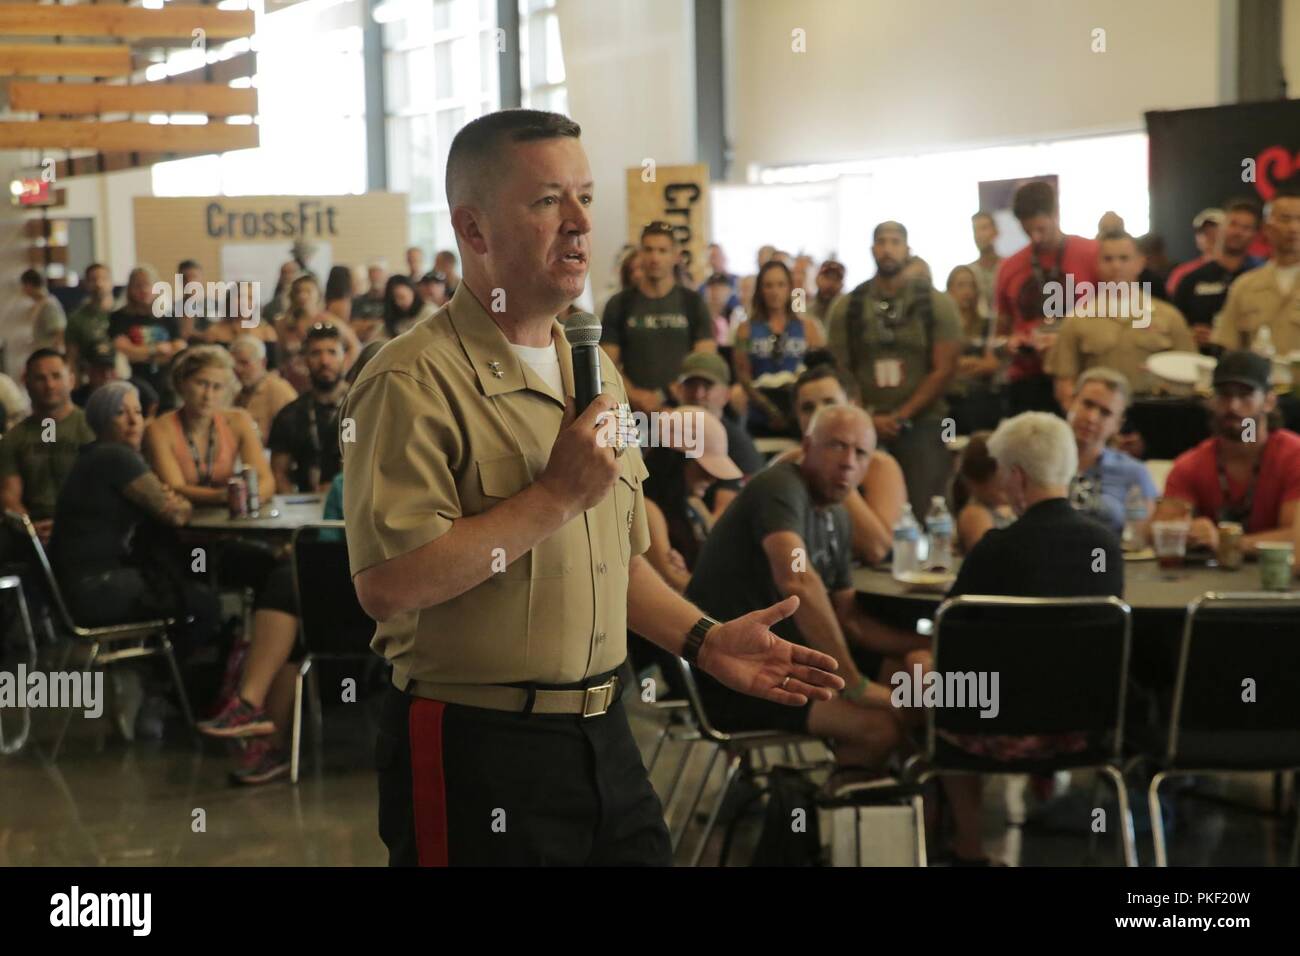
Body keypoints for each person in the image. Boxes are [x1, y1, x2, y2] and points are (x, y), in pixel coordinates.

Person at [344, 109, 842, 867]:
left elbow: (621, 560)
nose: (579, 223)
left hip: (607, 733)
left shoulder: (594, 366)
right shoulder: (411, 379)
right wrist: (552, 497)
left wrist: (704, 642)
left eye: (584, 196)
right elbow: (389, 583)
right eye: (547, 201)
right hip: (479, 746)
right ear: (474, 230)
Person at [911, 410, 1123, 865]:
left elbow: (949, 634)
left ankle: (966, 842)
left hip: (991, 728)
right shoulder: (1104, 546)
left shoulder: (995, 549)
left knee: (918, 674)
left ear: (1018, 477)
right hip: (1086, 728)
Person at [686, 405, 920, 770]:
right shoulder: (780, 484)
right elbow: (797, 579)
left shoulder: (839, 515)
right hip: (735, 673)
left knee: (906, 671)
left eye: (860, 454)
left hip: (784, 662)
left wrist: (923, 642)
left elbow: (850, 618)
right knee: (880, 729)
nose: (848, 462)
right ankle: (814, 814)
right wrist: (855, 684)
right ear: (807, 447)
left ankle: (913, 815)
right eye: (836, 446)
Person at [49, 382, 220, 671]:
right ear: (102, 422)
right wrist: (180, 501)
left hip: (76, 587)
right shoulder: (116, 457)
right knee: (204, 603)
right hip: (97, 589)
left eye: (138, 412)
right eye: (120, 413)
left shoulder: (93, 455)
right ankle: (170, 685)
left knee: (189, 577)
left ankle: (160, 678)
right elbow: (175, 514)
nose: (133, 421)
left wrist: (170, 497)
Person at [826, 220, 961, 518]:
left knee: (925, 507)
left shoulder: (936, 304)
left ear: (907, 249)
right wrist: (866, 417)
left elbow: (944, 369)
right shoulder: (847, 307)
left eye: (895, 242)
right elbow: (840, 371)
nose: (888, 249)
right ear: (872, 249)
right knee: (854, 505)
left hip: (923, 419)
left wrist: (901, 416)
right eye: (882, 242)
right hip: (863, 419)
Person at [1153, 351, 1300, 554]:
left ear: (1269, 402)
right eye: (1224, 395)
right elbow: (1160, 530)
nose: (1233, 406)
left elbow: (1295, 537)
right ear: (1211, 401)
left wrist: (1228, 543)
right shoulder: (1190, 465)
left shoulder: (1293, 457)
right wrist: (1186, 532)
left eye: (1245, 395)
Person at [772, 363, 907, 566]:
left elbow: (878, 549)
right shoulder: (785, 465)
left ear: (853, 406)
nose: (819, 413)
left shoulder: (880, 466)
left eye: (829, 404)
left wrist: (836, 470)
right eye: (808, 408)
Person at [1046, 230, 1195, 409]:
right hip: (1100, 418)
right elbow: (1065, 383)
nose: (1116, 266)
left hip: (1159, 416)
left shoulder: (1169, 317)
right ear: (1097, 264)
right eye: (1108, 259)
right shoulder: (1077, 320)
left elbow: (1190, 375)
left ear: (1140, 263)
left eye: (1124, 258)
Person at [994, 180, 1100, 415]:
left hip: (1082, 376)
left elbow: (1113, 318)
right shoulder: (1009, 267)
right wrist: (1010, 344)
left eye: (1042, 229)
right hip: (1027, 379)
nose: (1036, 238)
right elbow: (1000, 333)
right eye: (1028, 230)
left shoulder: (1093, 254)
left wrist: (1066, 339)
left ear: (1056, 213)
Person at [600, 221, 716, 414]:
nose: (655, 258)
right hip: (631, 410)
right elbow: (607, 364)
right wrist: (636, 395)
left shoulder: (693, 302)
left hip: (682, 409)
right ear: (640, 254)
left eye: (662, 251)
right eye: (649, 250)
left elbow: (704, 361)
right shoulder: (619, 304)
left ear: (675, 256)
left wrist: (663, 395)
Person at [143, 346, 273, 507]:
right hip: (180, 520)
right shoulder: (159, 429)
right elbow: (175, 487)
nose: (208, 395)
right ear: (182, 383)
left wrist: (251, 498)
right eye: (201, 383)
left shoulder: (239, 420)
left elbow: (265, 479)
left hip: (229, 514)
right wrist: (226, 496)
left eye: (217, 387)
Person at [639, 406, 742, 591]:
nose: (712, 478)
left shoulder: (694, 505)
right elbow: (672, 581)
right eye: (703, 467)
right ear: (676, 461)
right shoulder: (648, 510)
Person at [0, 350, 94, 544]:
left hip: (87, 525)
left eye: (56, 376)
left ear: (71, 380)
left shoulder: (94, 427)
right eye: (40, 378)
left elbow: (104, 488)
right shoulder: (13, 439)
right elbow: (9, 496)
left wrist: (68, 526)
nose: (49, 385)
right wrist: (30, 529)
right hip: (32, 533)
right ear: (26, 382)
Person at [733, 259, 826, 435]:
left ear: (790, 288)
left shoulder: (809, 328)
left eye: (780, 285)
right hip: (759, 411)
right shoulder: (745, 330)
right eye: (768, 286)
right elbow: (742, 375)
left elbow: (820, 373)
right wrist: (768, 409)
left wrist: (794, 409)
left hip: (800, 412)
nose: (774, 292)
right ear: (760, 290)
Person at [1062, 368, 1157, 538]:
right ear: (1071, 401)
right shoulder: (1040, 461)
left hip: (1106, 561)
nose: (1092, 418)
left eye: (1105, 413)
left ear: (1118, 424)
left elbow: (1140, 539)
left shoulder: (1134, 473)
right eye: (1087, 404)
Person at [1212, 179, 1300, 355]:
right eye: (1285, 219)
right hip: (1260, 381)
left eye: (1299, 219)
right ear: (1267, 228)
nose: (1294, 227)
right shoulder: (1245, 286)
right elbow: (1229, 348)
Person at [1172, 199, 1262, 354]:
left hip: (1247, 366)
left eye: (1246, 227)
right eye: (1233, 224)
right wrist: (1189, 334)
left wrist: (1221, 336)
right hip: (1199, 362)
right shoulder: (1191, 279)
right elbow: (1173, 325)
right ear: (1222, 227)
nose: (1238, 232)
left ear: (1255, 234)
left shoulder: (1259, 278)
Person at [269, 323, 348, 493]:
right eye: (316, 353)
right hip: (305, 507)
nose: (324, 361)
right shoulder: (289, 415)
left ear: (345, 357)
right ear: (304, 359)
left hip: (356, 505)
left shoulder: (364, 408)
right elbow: (278, 473)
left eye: (332, 352)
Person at [675, 351, 764, 483]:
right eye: (690, 385)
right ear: (678, 390)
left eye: (707, 385)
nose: (698, 394)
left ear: (726, 395)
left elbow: (726, 503)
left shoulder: (739, 447)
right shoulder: (664, 440)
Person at [108, 264, 186, 406]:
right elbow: (122, 348)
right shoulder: (119, 317)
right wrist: (155, 351)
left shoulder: (168, 315)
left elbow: (179, 347)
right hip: (133, 379)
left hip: (165, 382)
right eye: (137, 286)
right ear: (130, 289)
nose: (143, 290)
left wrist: (139, 352)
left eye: (147, 285)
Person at [945, 264, 1004, 434]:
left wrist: (960, 366)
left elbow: (991, 364)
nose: (967, 291)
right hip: (949, 402)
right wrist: (968, 364)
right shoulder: (942, 327)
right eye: (961, 285)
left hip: (980, 400)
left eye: (971, 285)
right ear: (949, 290)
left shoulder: (987, 324)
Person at [278, 274, 361, 393]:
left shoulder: (328, 320)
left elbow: (355, 346)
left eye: (308, 291)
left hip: (321, 382)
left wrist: (340, 369)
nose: (303, 295)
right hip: (292, 384)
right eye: (299, 291)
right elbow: (281, 358)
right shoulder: (284, 323)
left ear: (317, 294)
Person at [953, 431, 1015, 553]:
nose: (1009, 484)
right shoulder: (975, 514)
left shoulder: (1006, 508)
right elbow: (988, 559)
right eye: (1001, 484)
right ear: (978, 484)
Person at [70, 339, 160, 418]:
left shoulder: (130, 386)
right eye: (100, 369)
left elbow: (153, 401)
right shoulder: (77, 398)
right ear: (88, 369)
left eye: (110, 368)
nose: (106, 374)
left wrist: (145, 424)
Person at [230, 335, 296, 442]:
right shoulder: (236, 392)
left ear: (263, 363)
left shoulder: (279, 390)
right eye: (234, 364)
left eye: (244, 363)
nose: (238, 369)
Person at [65, 262, 117, 379]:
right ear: (86, 284)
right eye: (93, 280)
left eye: (104, 279)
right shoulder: (76, 319)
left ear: (111, 282)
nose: (99, 284)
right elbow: (71, 357)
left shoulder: (124, 314)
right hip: (91, 376)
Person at [1165, 207, 1224, 296]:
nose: (1209, 236)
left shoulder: (1240, 270)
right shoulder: (1182, 273)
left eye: (1214, 230)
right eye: (1203, 232)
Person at [18, 269, 67, 356]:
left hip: (50, 354)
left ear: (28, 285)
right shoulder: (40, 303)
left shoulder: (49, 305)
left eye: (23, 286)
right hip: (41, 352)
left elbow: (58, 331)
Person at [967, 212, 1002, 320]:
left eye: (984, 228)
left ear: (996, 232)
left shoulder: (1008, 268)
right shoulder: (969, 272)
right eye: (975, 230)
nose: (979, 235)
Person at [382, 274, 435, 338]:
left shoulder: (429, 312)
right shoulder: (393, 315)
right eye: (394, 299)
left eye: (402, 297)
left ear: (413, 292)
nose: (398, 302)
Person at [806, 258, 845, 326]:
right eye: (827, 277)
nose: (830, 283)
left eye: (836, 279)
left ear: (841, 285)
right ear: (817, 279)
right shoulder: (805, 310)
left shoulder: (847, 312)